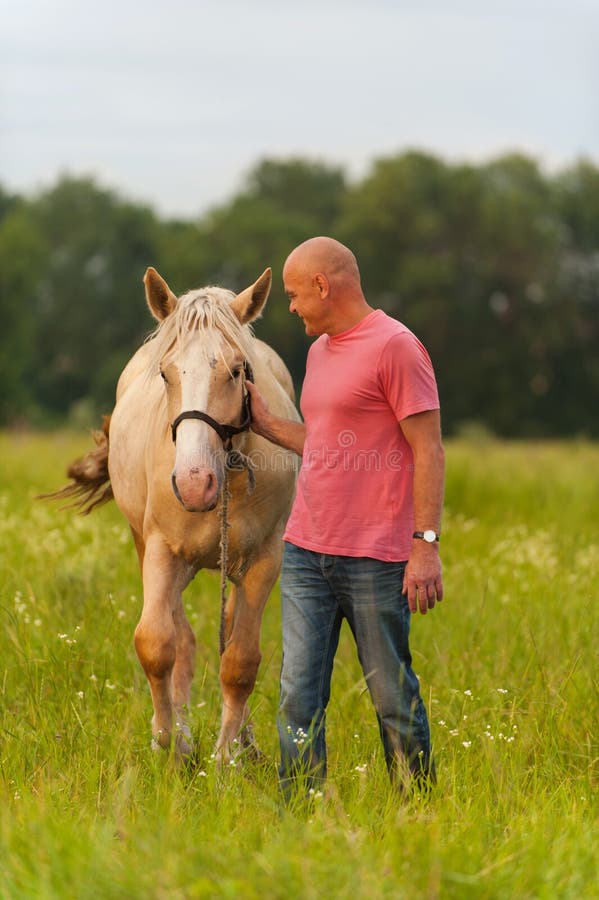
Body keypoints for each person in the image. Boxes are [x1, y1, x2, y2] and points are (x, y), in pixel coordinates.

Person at [246, 236, 444, 800]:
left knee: (391, 699)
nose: (290, 307)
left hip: (377, 558)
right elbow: (324, 441)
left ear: (321, 286)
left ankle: (419, 815)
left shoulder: (396, 347)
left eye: (292, 295)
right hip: (307, 551)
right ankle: (300, 820)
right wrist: (264, 423)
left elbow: (428, 449)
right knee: (297, 695)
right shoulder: (319, 351)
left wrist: (424, 544)